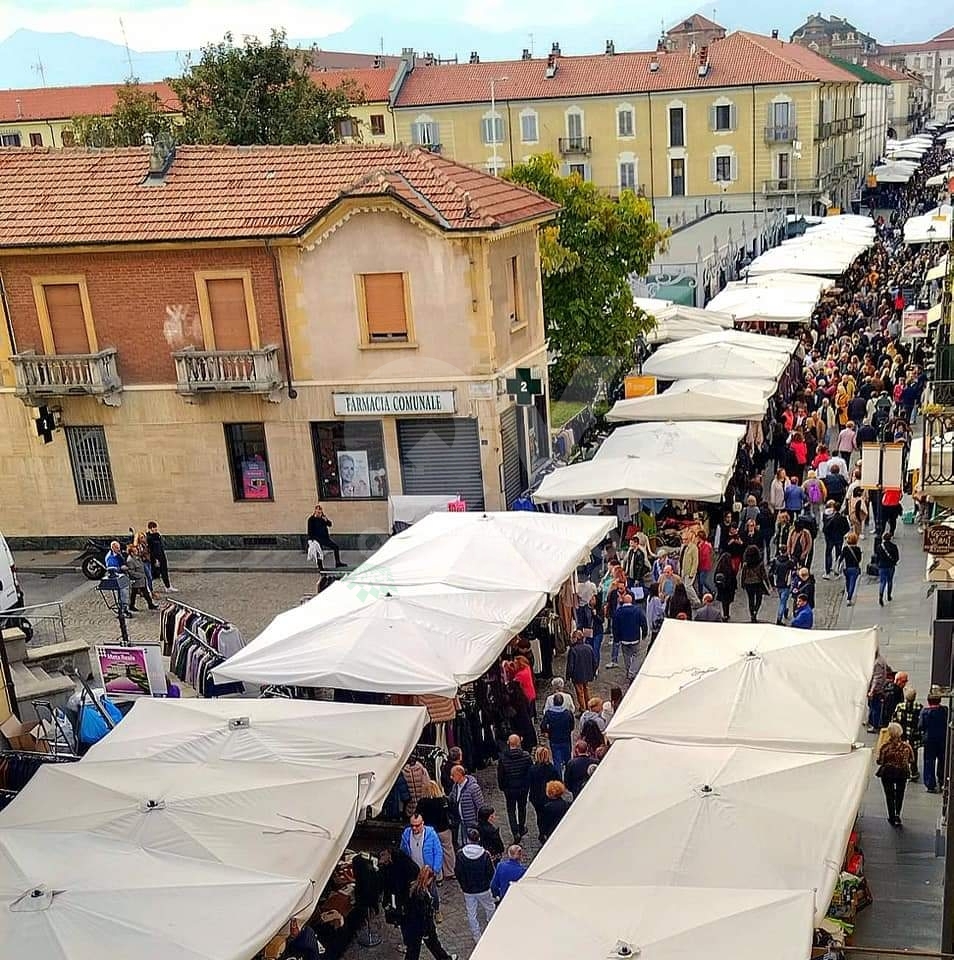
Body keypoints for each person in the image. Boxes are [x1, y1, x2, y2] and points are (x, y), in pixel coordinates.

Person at [401, 865, 458, 960]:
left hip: (417, 927)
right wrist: (425, 931)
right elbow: (422, 915)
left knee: (432, 945)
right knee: (414, 951)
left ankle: (445, 958)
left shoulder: (415, 888)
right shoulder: (421, 895)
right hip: (421, 928)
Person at [455, 829, 496, 943]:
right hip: (483, 888)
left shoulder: (460, 855)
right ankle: (491, 927)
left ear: (468, 840)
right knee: (490, 908)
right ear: (478, 839)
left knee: (471, 913)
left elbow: (458, 872)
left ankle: (476, 936)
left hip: (468, 890)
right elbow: (491, 872)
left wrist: (463, 885)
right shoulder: (485, 855)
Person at [401, 814, 444, 918]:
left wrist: (435, 869)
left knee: (432, 891)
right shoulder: (406, 834)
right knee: (413, 891)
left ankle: (436, 911)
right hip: (412, 871)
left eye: (417, 825)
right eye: (412, 825)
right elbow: (402, 851)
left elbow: (438, 852)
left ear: (422, 823)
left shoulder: (431, 834)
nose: (414, 828)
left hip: (427, 871)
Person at [416, 780, 455, 881]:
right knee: (448, 850)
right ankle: (450, 871)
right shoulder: (443, 800)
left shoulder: (422, 803)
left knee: (434, 853)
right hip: (444, 829)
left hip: (430, 831)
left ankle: (438, 875)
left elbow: (418, 816)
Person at [877, 722, 915, 826]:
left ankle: (891, 815)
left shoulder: (885, 747)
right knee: (900, 793)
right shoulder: (906, 747)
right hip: (902, 772)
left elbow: (880, 761)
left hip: (887, 772)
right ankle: (898, 813)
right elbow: (912, 759)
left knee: (889, 795)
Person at [497, 734, 532, 843]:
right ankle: (521, 828)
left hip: (509, 788)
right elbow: (530, 772)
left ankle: (514, 831)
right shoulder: (526, 756)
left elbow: (500, 775)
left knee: (511, 810)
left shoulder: (503, 758)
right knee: (522, 808)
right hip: (522, 787)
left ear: (509, 743)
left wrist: (502, 787)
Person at [612, 592, 648, 681]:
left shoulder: (618, 612)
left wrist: (616, 639)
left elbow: (615, 627)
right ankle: (632, 671)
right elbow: (643, 623)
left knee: (626, 656)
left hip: (623, 638)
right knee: (636, 655)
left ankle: (629, 671)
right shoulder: (637, 610)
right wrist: (644, 633)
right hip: (635, 637)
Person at [920, 691, 949, 794]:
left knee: (929, 761)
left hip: (929, 740)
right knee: (942, 760)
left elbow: (921, 726)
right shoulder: (944, 710)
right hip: (942, 738)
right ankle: (942, 780)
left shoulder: (925, 712)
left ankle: (930, 784)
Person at [528, 746, 559, 840]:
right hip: (549, 796)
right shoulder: (552, 769)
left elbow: (529, 782)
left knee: (539, 816)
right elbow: (557, 781)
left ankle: (542, 832)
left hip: (536, 797)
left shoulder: (533, 769)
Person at [893, 686, 923, 783]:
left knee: (901, 752)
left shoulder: (900, 707)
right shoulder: (919, 707)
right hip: (914, 736)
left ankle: (903, 770)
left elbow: (894, 719)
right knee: (914, 753)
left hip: (903, 735)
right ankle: (914, 771)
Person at [449, 766, 484, 847]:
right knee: (463, 843)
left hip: (472, 823)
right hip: (460, 821)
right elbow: (452, 799)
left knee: (473, 844)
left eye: (452, 775)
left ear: (459, 775)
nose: (451, 777)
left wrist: (480, 822)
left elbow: (480, 806)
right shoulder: (455, 786)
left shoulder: (473, 788)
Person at [541, 693, 574, 775]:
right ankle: (568, 777)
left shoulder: (549, 713)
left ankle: (558, 778)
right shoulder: (568, 713)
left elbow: (543, 725)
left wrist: (547, 732)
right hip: (566, 739)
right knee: (567, 759)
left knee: (557, 760)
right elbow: (572, 726)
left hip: (554, 739)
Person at [306, 504, 347, 569]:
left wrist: (326, 520)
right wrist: (312, 541)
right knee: (319, 553)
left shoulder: (323, 517)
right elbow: (309, 531)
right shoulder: (311, 520)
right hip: (317, 539)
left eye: (320, 512)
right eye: (318, 512)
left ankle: (338, 563)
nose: (319, 514)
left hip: (325, 538)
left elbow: (330, 524)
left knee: (335, 547)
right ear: (315, 511)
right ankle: (321, 568)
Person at [565, 630, 597, 711]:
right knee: (586, 690)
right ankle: (588, 706)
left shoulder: (573, 650)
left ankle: (583, 708)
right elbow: (594, 662)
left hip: (577, 675)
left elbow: (570, 665)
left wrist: (568, 676)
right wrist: (593, 672)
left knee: (580, 693)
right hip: (587, 674)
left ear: (576, 638)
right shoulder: (589, 647)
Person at [739, 544, 770, 624]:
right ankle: (756, 611)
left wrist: (742, 583)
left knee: (750, 599)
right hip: (757, 583)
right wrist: (768, 584)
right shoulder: (760, 563)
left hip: (748, 583)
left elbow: (743, 574)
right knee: (759, 599)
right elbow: (764, 575)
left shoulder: (746, 564)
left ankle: (752, 613)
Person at [822, 500, 850, 580]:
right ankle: (837, 570)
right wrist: (842, 533)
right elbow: (847, 528)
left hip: (830, 538)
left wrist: (827, 536)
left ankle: (827, 571)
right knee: (838, 554)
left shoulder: (830, 518)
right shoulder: (842, 518)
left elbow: (826, 529)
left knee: (828, 553)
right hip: (839, 538)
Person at [125, 545, 158, 612]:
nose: (137, 551)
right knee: (133, 594)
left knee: (145, 593)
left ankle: (150, 604)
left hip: (141, 579)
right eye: (135, 551)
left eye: (136, 550)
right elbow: (131, 572)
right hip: (136, 580)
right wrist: (140, 575)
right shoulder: (130, 560)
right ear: (131, 552)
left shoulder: (137, 558)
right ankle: (132, 606)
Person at [145, 521, 176, 592]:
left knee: (164, 572)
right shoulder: (149, 537)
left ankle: (168, 587)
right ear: (150, 528)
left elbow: (160, 546)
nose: (155, 529)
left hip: (161, 556)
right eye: (153, 528)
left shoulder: (158, 535)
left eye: (155, 527)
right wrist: (155, 559)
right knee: (153, 574)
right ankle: (147, 588)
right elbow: (151, 550)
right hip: (155, 558)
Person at [769, 544, 795, 625]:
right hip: (786, 585)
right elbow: (794, 573)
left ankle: (785, 610)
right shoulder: (790, 563)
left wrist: (772, 585)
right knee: (783, 602)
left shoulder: (775, 561)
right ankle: (779, 618)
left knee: (782, 600)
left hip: (778, 584)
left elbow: (770, 574)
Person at [868, 649, 893, 732]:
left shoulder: (877, 663)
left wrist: (872, 691)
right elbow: (888, 668)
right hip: (878, 688)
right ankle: (870, 720)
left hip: (877, 690)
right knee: (872, 705)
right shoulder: (880, 659)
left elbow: (877, 678)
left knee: (875, 707)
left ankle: (875, 725)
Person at [874, 530, 900, 606]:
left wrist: (878, 563)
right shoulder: (894, 546)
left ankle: (880, 596)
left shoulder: (879, 547)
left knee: (882, 582)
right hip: (891, 566)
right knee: (890, 581)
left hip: (882, 566)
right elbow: (897, 557)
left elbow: (877, 557)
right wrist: (894, 562)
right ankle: (889, 595)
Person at [713, 552, 737, 621]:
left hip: (722, 589)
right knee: (727, 602)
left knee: (724, 602)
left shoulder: (719, 568)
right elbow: (733, 579)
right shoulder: (730, 569)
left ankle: (725, 614)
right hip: (729, 589)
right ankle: (727, 614)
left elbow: (715, 578)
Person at [841, 532, 863, 606]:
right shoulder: (858, 549)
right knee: (852, 583)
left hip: (847, 568)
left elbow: (841, 558)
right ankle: (849, 598)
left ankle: (848, 592)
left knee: (848, 581)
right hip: (855, 568)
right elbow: (859, 559)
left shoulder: (845, 549)